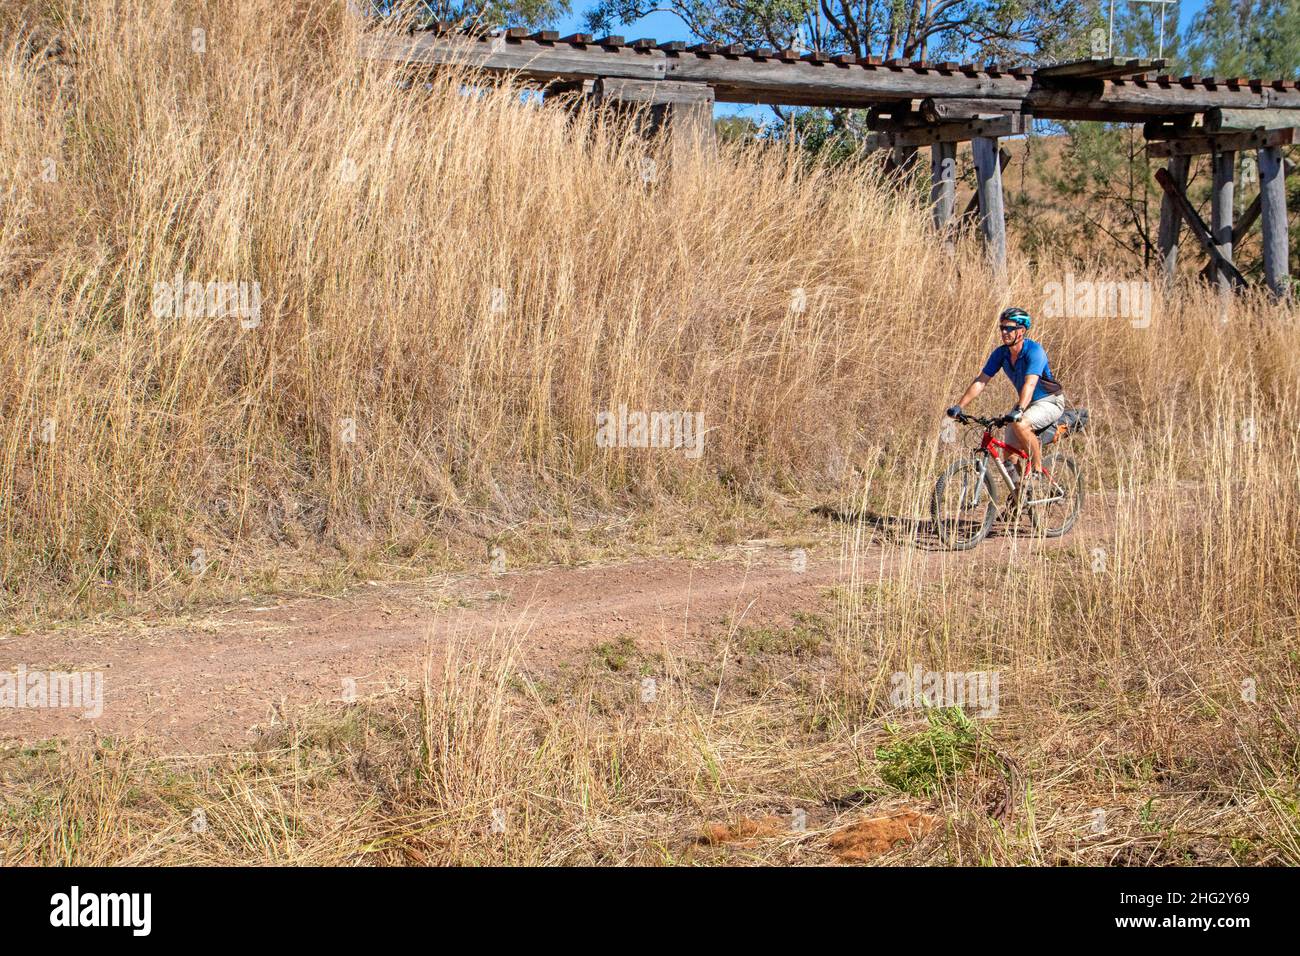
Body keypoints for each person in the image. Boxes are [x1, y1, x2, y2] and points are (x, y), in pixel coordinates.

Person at [946, 307, 1065, 489]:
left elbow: (1030, 384)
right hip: (1027, 403)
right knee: (1009, 454)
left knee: (1021, 423)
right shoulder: (1001, 354)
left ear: (1022, 330)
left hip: (1050, 401)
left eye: (1009, 328)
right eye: (1002, 328)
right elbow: (981, 381)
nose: (1004, 332)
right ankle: (1019, 497)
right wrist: (959, 406)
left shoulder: (1034, 351)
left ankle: (1037, 471)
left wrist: (1019, 409)